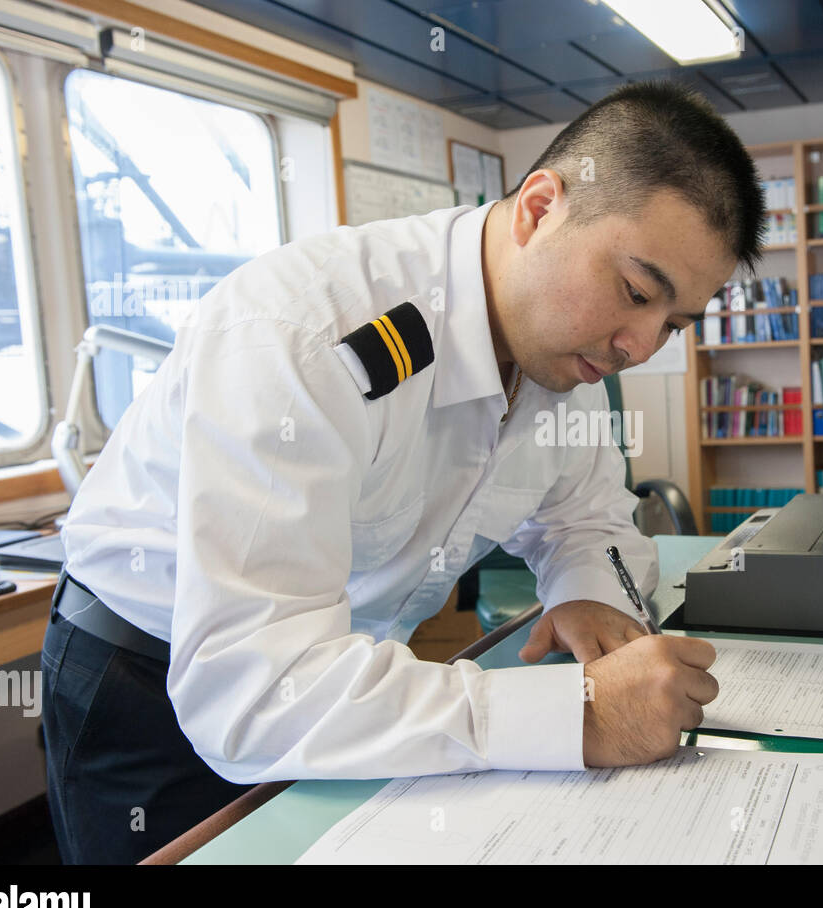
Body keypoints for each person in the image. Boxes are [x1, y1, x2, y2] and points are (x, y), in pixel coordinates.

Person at [40, 79, 766, 864]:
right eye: (634, 292)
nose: (640, 344)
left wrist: (583, 585)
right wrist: (578, 712)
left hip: (340, 672)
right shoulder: (305, 334)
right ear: (539, 208)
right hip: (153, 678)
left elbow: (585, 515)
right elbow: (252, 694)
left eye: (674, 322)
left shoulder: (564, 360)